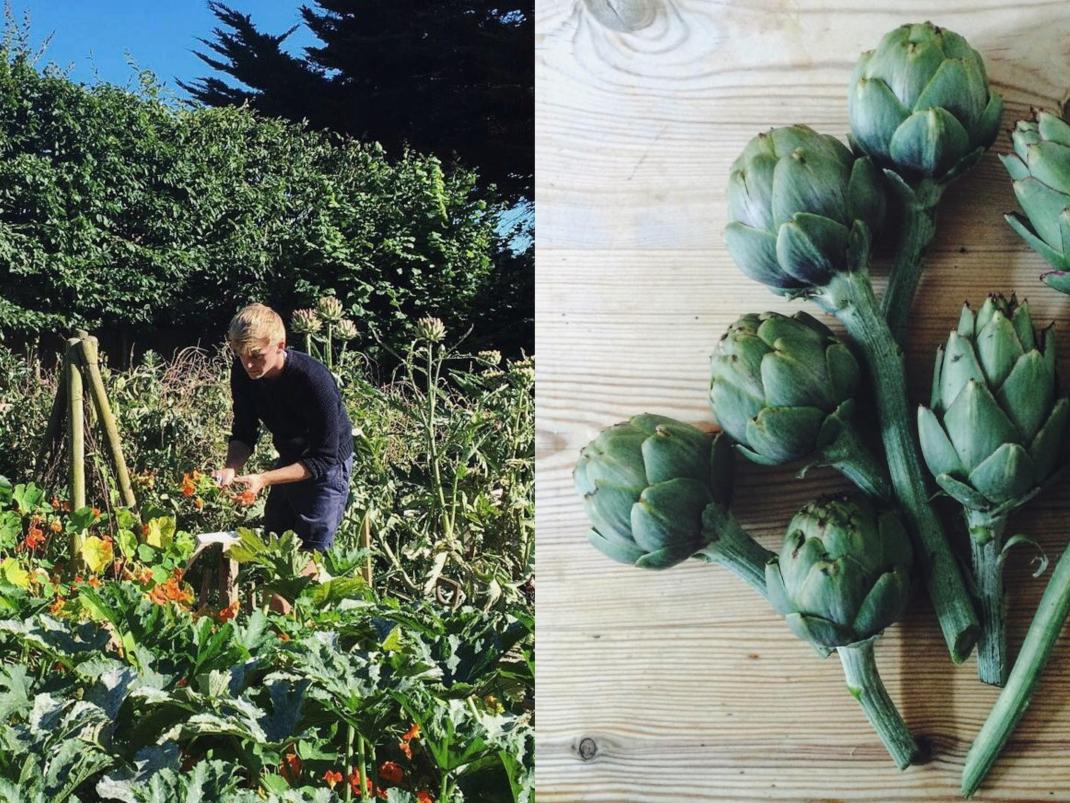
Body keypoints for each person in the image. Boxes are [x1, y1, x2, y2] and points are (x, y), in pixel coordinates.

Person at [213, 303, 354, 565]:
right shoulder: (243, 373)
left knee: (309, 560)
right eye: (240, 354)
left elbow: (323, 458)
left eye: (256, 355)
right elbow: (244, 430)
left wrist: (264, 479)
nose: (248, 363)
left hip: (329, 467)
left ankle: (307, 603)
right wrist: (231, 468)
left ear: (280, 345)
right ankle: (278, 606)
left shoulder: (314, 380)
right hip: (290, 458)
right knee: (275, 552)